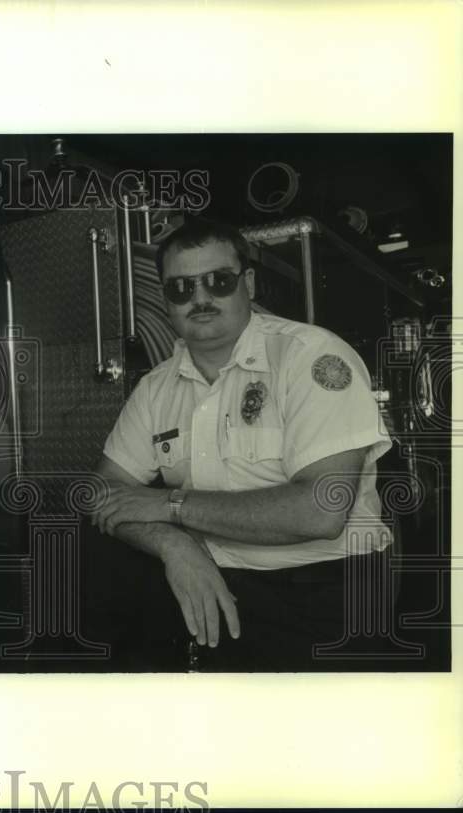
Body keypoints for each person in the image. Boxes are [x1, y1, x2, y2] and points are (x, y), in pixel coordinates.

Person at [91, 219, 393, 671]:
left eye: (218, 281)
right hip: (215, 582)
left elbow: (321, 510)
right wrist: (174, 546)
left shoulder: (310, 357)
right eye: (181, 288)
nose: (200, 299)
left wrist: (171, 505)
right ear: (164, 299)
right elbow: (100, 492)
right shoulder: (156, 388)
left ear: (247, 283)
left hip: (331, 592)